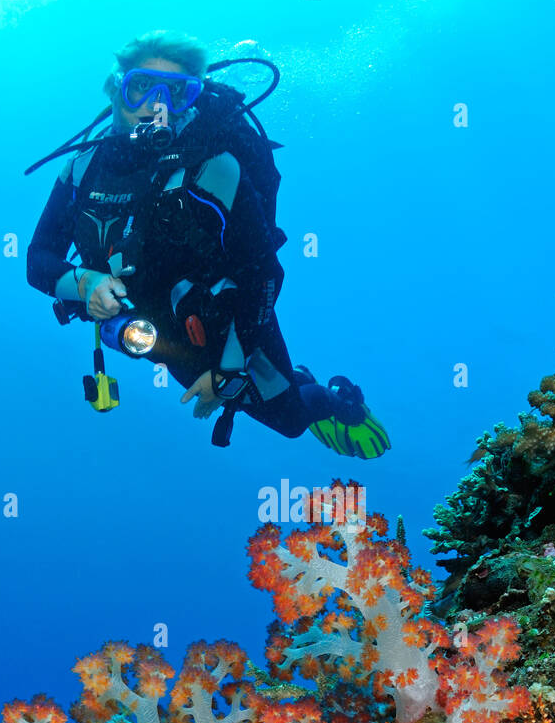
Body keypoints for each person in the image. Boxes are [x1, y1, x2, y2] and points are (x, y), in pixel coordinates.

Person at [26, 32, 390, 458]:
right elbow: (38, 261)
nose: (155, 105)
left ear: (191, 102)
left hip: (226, 316)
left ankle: (335, 398)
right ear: (116, 88)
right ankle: (293, 378)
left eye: (175, 92)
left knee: (290, 421)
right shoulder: (81, 169)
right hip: (152, 329)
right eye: (141, 85)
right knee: (260, 405)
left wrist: (228, 372)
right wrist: (84, 283)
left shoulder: (215, 168)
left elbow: (264, 275)